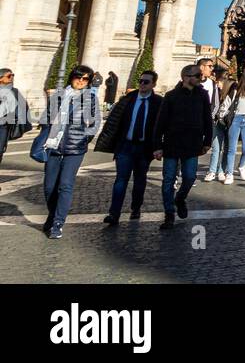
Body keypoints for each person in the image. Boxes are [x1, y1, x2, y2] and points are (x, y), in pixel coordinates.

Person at [42, 64, 102, 239]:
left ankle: (58, 224)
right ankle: (52, 215)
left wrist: (84, 138)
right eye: (78, 77)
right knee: (49, 187)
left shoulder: (90, 98)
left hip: (75, 148)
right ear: (72, 77)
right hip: (53, 145)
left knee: (65, 185)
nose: (81, 81)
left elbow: (95, 123)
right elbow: (46, 118)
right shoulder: (58, 96)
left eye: (85, 79)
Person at [154, 64, 213, 230]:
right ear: (186, 77)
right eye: (197, 75)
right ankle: (169, 214)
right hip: (172, 143)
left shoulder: (202, 95)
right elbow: (161, 122)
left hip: (192, 144)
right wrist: (157, 145)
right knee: (168, 180)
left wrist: (207, 141)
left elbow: (207, 119)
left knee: (189, 177)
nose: (200, 77)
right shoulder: (171, 96)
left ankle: (180, 197)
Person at [97, 70, 159, 225]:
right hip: (125, 146)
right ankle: (114, 213)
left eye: (146, 82)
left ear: (153, 84)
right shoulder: (127, 100)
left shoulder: (159, 103)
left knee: (140, 180)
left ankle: (136, 207)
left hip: (145, 148)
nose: (142, 84)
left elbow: (162, 127)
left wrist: (159, 147)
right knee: (121, 179)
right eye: (141, 81)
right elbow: (113, 121)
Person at [220, 71, 245, 183]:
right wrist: (223, 118)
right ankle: (229, 173)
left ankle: (241, 166)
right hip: (235, 120)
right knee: (232, 149)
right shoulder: (235, 92)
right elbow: (225, 105)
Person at [200, 61, 229, 182]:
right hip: (201, 121)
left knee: (219, 147)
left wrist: (209, 118)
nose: (211, 69)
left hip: (216, 121)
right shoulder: (196, 83)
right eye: (210, 66)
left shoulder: (213, 85)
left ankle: (219, 171)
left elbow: (216, 104)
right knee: (195, 146)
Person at [0, 67, 31, 168]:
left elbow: (23, 107)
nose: (12, 78)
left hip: (4, 126)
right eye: (9, 76)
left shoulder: (15, 91)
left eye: (13, 75)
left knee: (0, 150)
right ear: (1, 78)